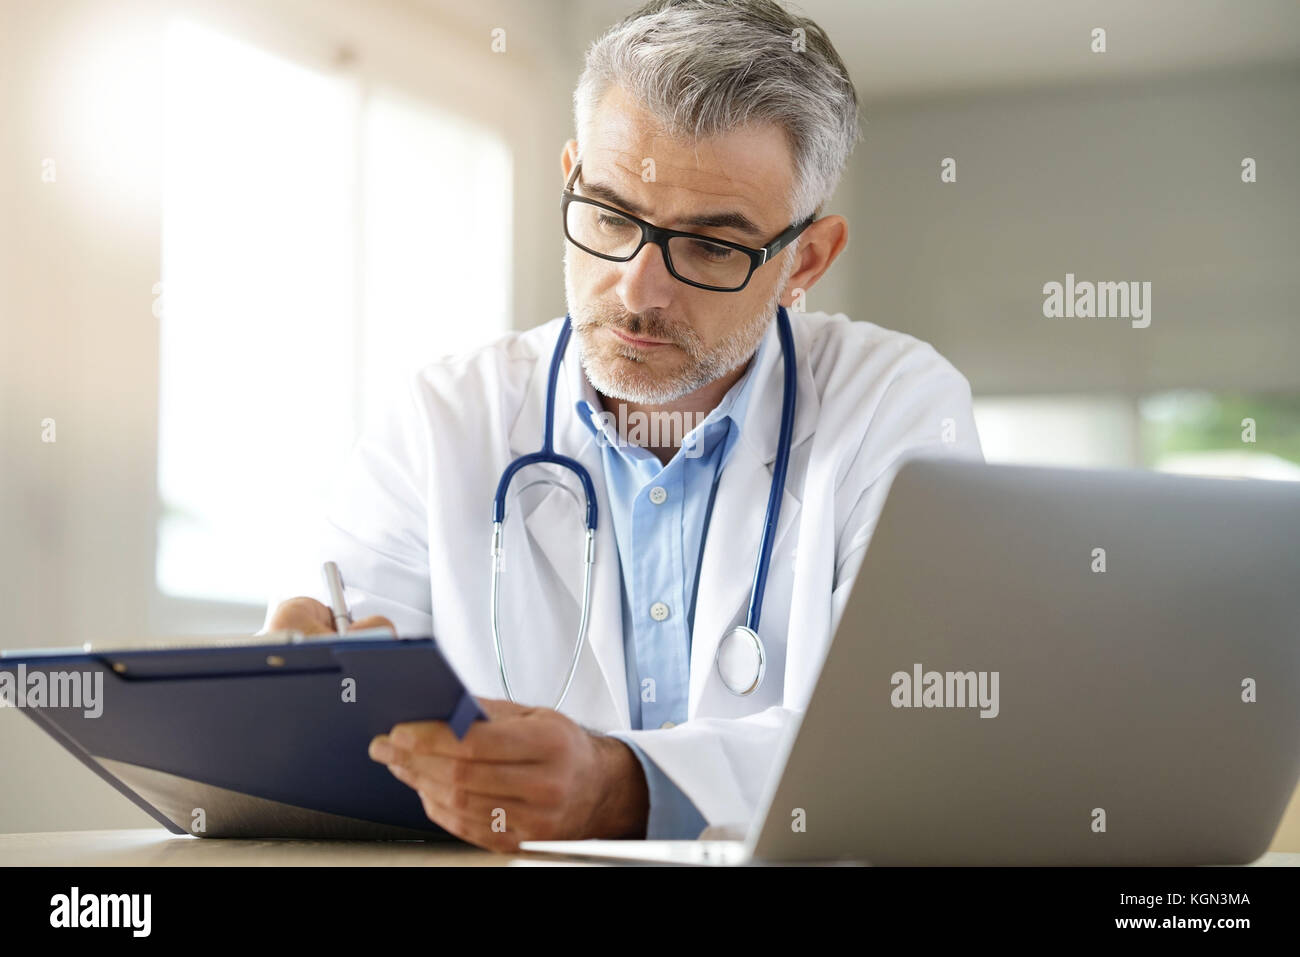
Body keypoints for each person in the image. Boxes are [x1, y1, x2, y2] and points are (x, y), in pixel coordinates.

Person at [264, 0, 982, 851]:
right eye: (610, 217)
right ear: (571, 177)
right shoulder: (441, 421)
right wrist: (307, 693)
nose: (640, 291)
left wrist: (622, 784)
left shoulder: (892, 404)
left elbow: (911, 736)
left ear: (806, 261)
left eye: (712, 247)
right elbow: (341, 701)